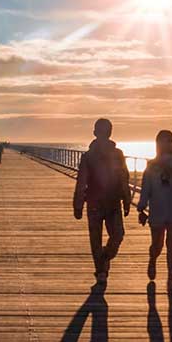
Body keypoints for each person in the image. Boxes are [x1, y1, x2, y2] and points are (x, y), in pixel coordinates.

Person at [73, 118, 131, 284]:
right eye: (102, 130)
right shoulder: (88, 156)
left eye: (106, 131)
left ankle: (104, 257)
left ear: (110, 132)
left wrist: (126, 199)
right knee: (95, 238)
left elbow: (124, 177)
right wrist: (78, 204)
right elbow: (81, 181)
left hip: (113, 202)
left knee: (118, 235)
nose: (104, 134)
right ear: (95, 133)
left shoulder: (118, 154)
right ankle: (101, 270)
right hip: (94, 203)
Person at [138, 129, 172, 285]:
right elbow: (146, 188)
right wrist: (141, 207)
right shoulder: (151, 166)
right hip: (157, 210)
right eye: (162, 141)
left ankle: (171, 277)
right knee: (157, 244)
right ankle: (153, 259)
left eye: (169, 141)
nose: (165, 144)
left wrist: (168, 161)